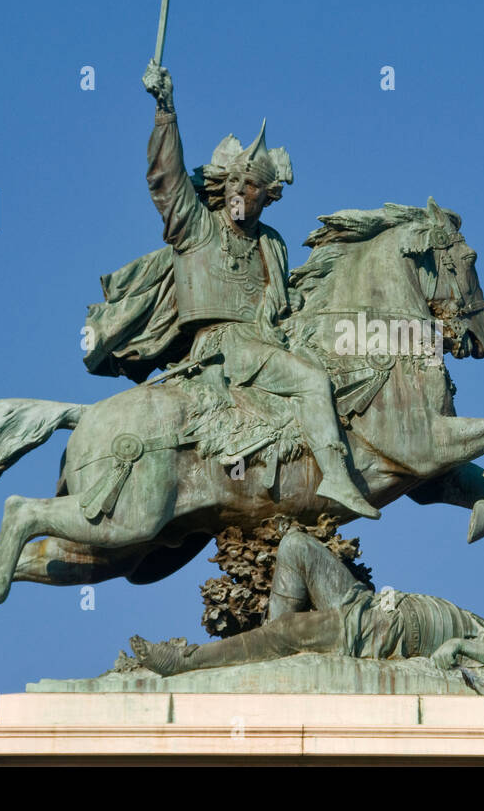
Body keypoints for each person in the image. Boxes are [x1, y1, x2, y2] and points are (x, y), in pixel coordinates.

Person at [84, 61, 379, 520]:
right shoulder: (198, 227)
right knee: (311, 381)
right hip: (225, 347)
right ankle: (337, 477)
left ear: (268, 195)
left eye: (253, 185)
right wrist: (166, 109)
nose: (242, 190)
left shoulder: (272, 244)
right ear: (226, 187)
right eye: (237, 182)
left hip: (267, 342)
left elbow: (285, 302)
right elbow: (167, 180)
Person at [129, 528, 484, 677]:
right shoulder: (482, 623)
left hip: (381, 633)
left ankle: (187, 661)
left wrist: (462, 646)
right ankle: (262, 646)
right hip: (372, 603)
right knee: (295, 545)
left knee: (290, 630)